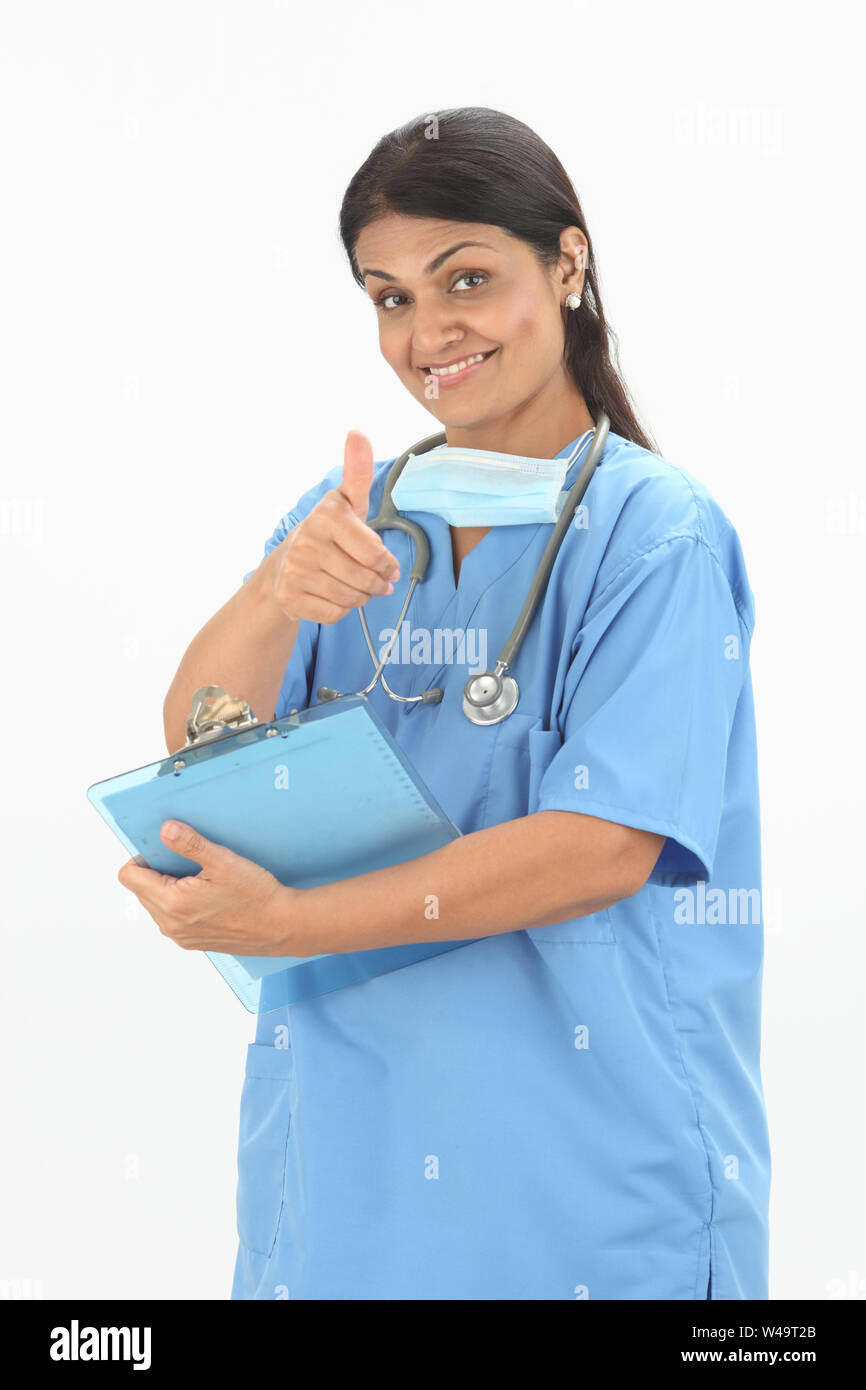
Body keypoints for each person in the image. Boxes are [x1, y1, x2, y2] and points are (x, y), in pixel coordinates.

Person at [120, 107, 771, 1300]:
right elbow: (198, 738)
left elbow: (600, 845)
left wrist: (288, 928)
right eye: (389, 297)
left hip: (584, 1174)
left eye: (464, 277)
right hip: (341, 1153)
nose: (428, 333)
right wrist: (276, 593)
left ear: (566, 264)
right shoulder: (360, 512)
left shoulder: (653, 533)